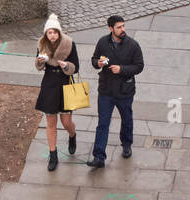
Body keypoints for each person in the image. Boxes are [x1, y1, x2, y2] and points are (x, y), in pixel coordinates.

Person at [87, 14, 144, 167]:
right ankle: (99, 157)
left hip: (124, 90)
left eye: (123, 26)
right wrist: (98, 63)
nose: (122, 29)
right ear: (111, 28)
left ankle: (126, 144)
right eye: (119, 27)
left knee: (126, 118)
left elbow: (139, 66)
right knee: (103, 123)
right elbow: (94, 59)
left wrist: (122, 69)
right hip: (106, 90)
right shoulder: (102, 42)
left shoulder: (133, 45)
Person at [33, 13, 79, 171]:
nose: (52, 35)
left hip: (65, 84)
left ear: (59, 33)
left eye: (54, 32)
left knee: (66, 122)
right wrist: (39, 61)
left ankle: (72, 135)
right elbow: (38, 66)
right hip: (49, 84)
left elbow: (76, 67)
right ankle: (53, 155)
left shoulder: (69, 44)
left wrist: (65, 65)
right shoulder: (42, 45)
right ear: (46, 34)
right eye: (49, 32)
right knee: (50, 122)